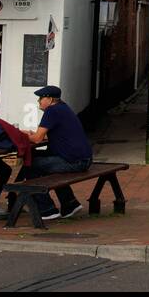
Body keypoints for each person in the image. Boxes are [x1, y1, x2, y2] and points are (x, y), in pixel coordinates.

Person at [21, 86, 93, 221]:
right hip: (83, 159)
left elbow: (37, 139)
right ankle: (70, 204)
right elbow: (54, 135)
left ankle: (47, 210)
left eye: (41, 98)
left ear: (49, 99)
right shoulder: (63, 108)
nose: (39, 101)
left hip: (75, 162)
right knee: (42, 161)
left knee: (31, 165)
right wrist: (34, 135)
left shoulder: (52, 111)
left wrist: (23, 135)